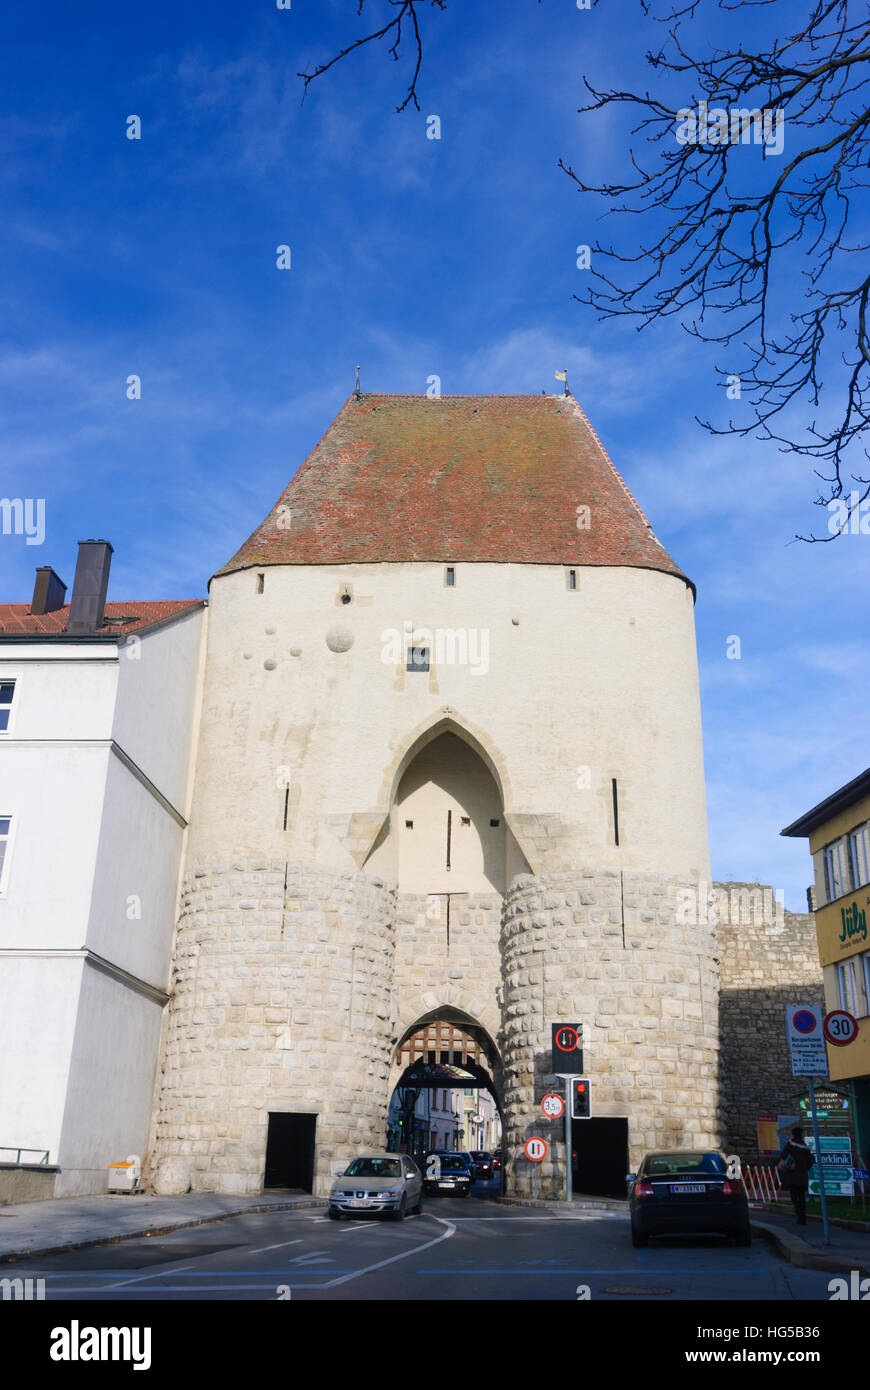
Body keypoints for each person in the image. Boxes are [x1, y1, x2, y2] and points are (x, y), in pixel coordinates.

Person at [779, 1126, 815, 1225]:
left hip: (792, 1175)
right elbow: (810, 1162)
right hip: (803, 1176)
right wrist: (804, 1169)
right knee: (801, 1196)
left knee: (794, 1196)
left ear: (793, 1134)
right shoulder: (805, 1148)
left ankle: (798, 1214)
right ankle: (802, 1217)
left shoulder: (790, 1144)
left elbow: (783, 1156)